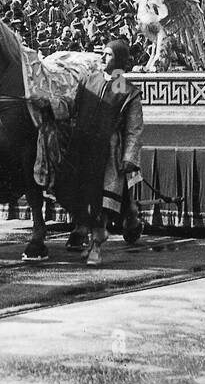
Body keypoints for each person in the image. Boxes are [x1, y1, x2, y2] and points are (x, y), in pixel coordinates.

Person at [54, 37, 144, 267]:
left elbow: (134, 129)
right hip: (82, 148)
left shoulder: (125, 89)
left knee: (102, 201)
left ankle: (96, 244)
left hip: (108, 153)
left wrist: (129, 157)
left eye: (109, 55)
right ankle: (81, 229)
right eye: (102, 54)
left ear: (120, 61)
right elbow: (70, 107)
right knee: (79, 194)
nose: (103, 58)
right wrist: (50, 103)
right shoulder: (88, 81)